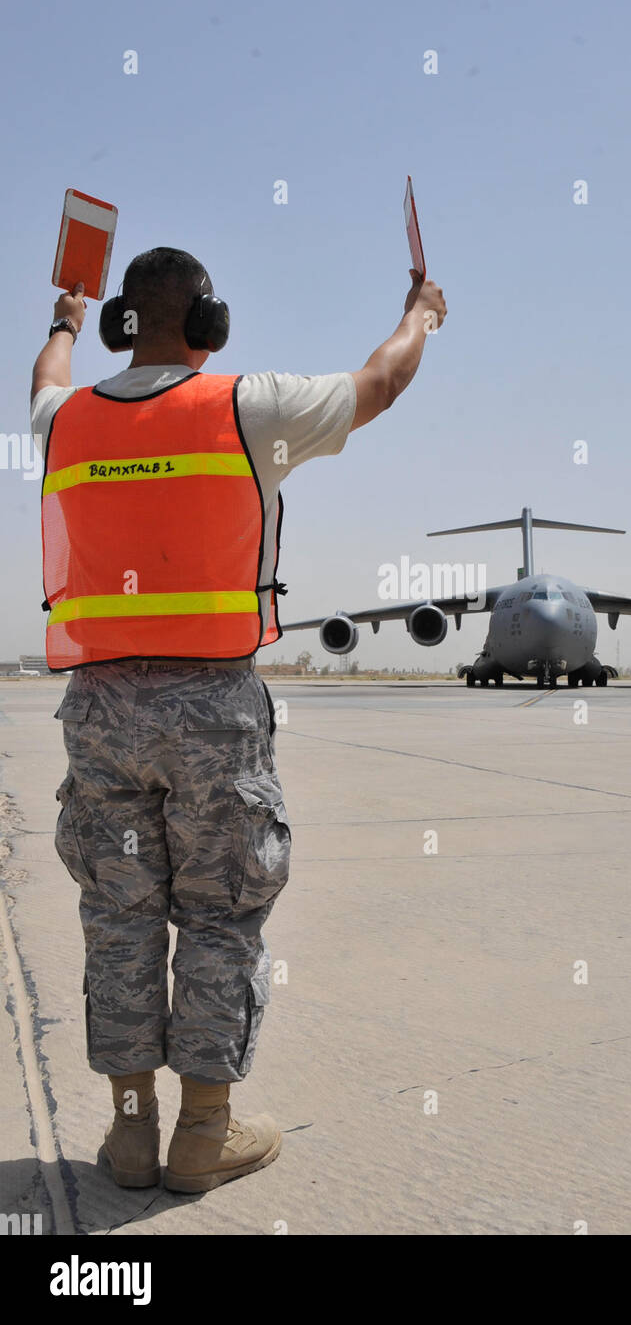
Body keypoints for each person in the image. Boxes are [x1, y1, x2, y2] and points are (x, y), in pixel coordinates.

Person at [30, 247, 447, 1193]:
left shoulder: (66, 423)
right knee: (221, 916)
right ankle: (203, 1136)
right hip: (213, 706)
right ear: (208, 325)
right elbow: (379, 383)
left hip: (99, 711)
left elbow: (46, 380)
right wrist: (420, 312)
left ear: (118, 326)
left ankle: (130, 1134)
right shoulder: (243, 407)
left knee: (118, 915)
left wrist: (61, 321)